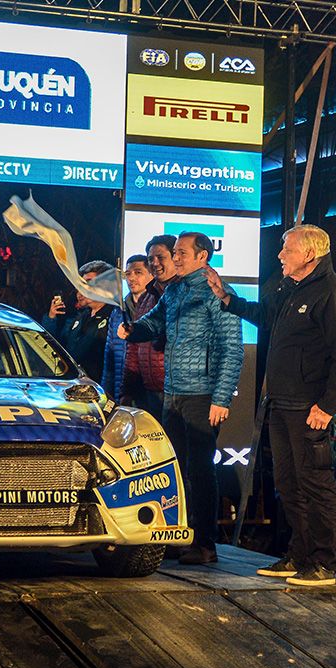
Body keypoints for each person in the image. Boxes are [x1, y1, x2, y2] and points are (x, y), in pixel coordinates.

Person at [205, 224, 336, 586]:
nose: (280, 255)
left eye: (286, 249)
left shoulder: (332, 293)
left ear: (308, 254)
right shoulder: (291, 289)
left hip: (310, 409)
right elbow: (266, 316)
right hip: (282, 404)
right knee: (288, 485)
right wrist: (227, 297)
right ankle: (299, 555)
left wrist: (326, 405)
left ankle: (323, 564)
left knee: (316, 485)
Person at [120, 233, 244, 564]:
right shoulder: (175, 290)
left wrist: (221, 398)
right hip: (172, 393)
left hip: (203, 395)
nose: (175, 257)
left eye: (181, 252)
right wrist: (134, 330)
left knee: (201, 470)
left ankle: (205, 544)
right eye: (174, 252)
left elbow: (232, 349)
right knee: (176, 469)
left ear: (202, 256)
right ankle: (180, 535)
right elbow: (154, 322)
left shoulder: (218, 292)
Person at [103, 236, 177, 420]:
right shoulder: (145, 300)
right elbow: (132, 352)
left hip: (179, 392)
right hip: (148, 391)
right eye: (151, 259)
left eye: (160, 257)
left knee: (180, 446)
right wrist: (126, 390)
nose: (155, 263)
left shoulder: (185, 293)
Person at [42, 260, 116, 382]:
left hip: (100, 389)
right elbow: (56, 347)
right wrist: (51, 319)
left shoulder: (115, 317)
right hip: (74, 386)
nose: (82, 289)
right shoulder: (79, 318)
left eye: (89, 283)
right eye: (80, 284)